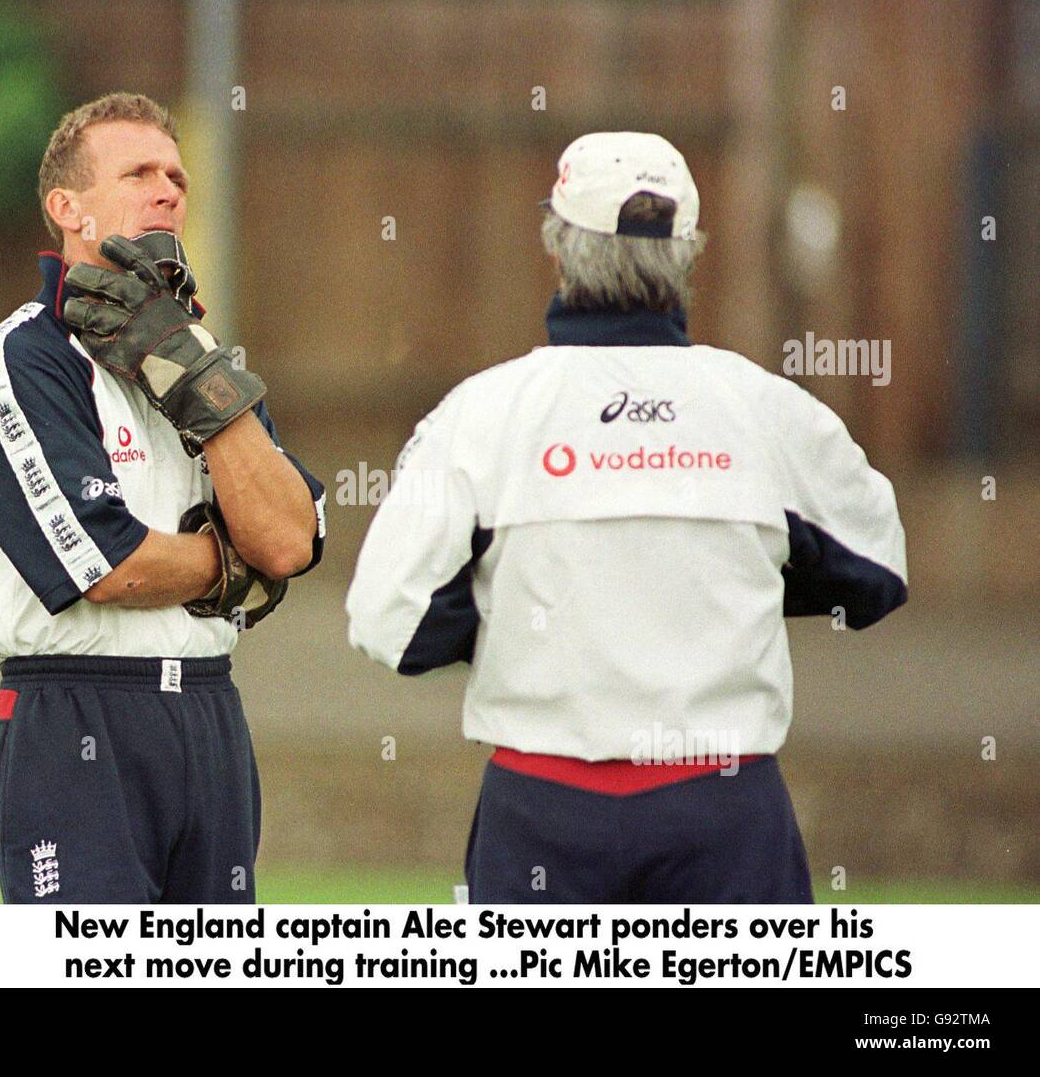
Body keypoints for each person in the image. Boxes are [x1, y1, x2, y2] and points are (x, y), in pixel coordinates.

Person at [345, 131, 907, 904]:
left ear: (558, 246)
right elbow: (876, 573)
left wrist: (537, 614)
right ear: (687, 252)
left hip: (541, 813)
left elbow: (390, 621)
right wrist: (710, 583)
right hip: (724, 815)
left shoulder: (481, 414)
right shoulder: (767, 410)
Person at [0, 92, 325, 903]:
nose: (168, 190)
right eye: (139, 172)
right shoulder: (23, 359)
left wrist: (192, 376)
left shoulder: (205, 357)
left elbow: (290, 542)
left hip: (211, 716)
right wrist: (233, 569)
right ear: (67, 207)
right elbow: (106, 564)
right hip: (72, 714)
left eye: (176, 175)